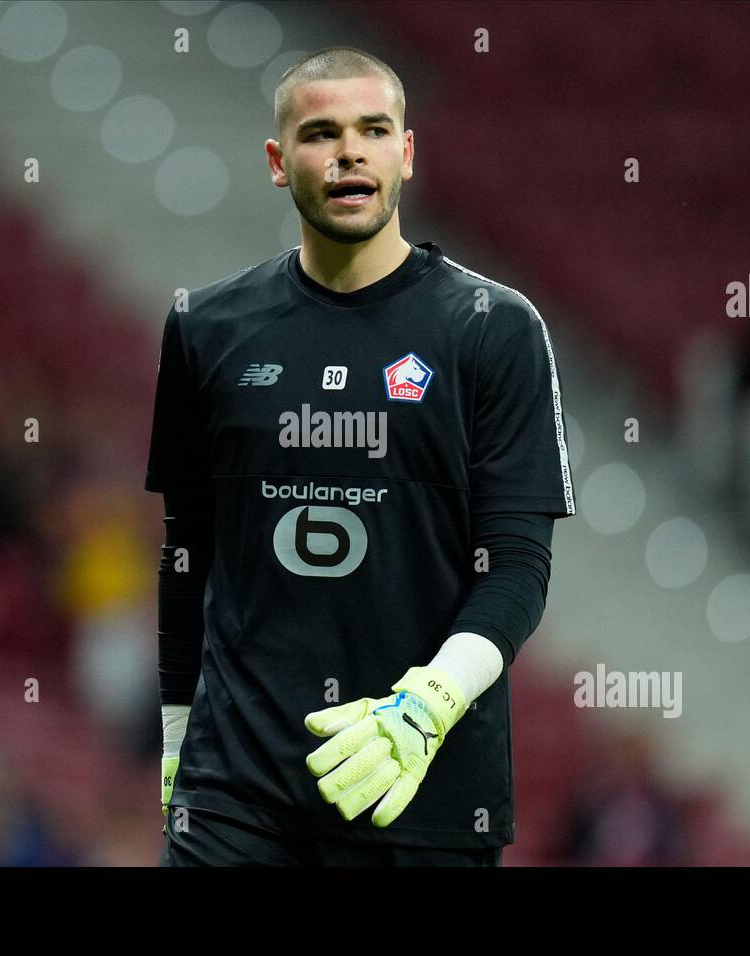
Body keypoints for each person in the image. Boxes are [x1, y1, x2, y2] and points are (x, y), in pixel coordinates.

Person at [147, 47, 575, 867]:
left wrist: (423, 708)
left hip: (423, 794)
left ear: (405, 153)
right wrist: (175, 737)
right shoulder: (205, 330)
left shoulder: (493, 329)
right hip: (234, 796)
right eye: (321, 133)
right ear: (279, 162)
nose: (349, 151)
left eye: (374, 130)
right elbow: (183, 551)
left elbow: (518, 566)